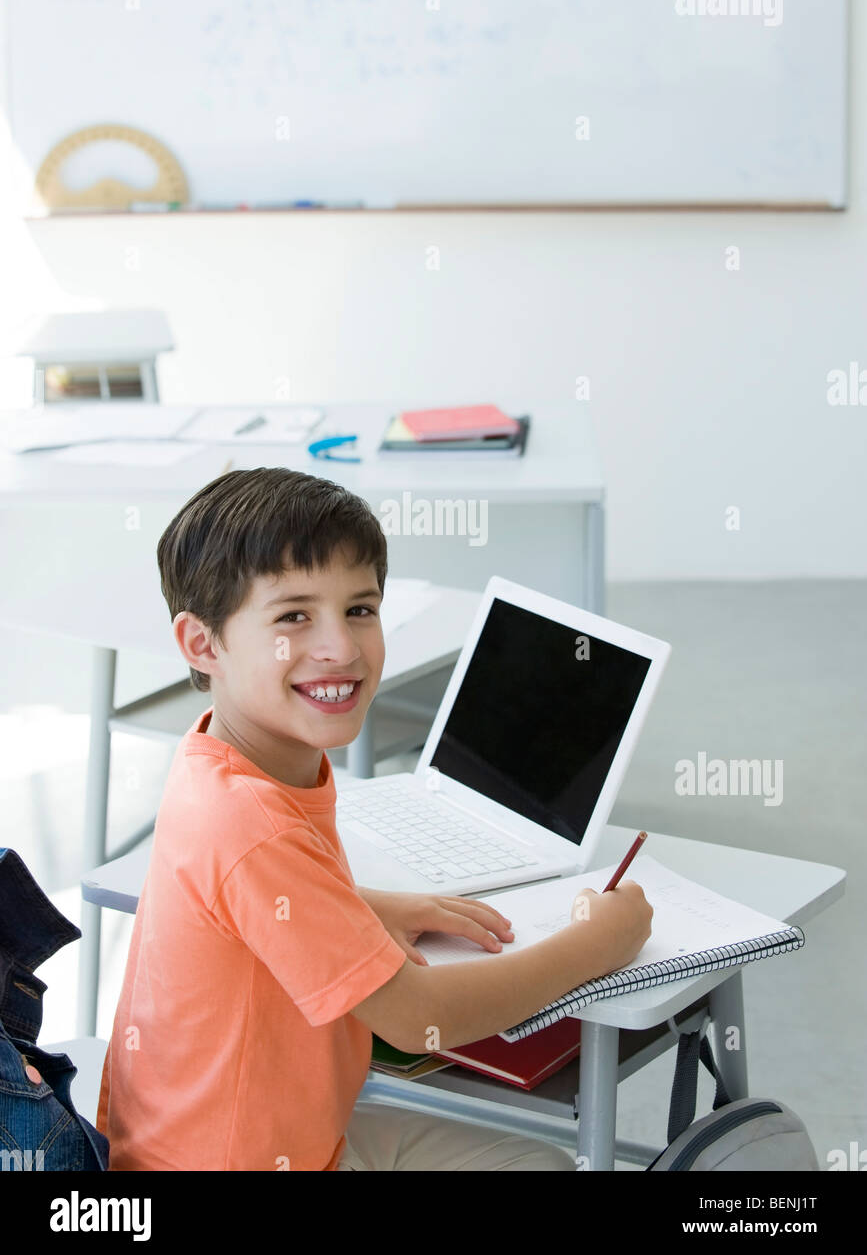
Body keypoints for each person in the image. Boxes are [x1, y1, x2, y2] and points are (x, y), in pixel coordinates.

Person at [96, 467, 652, 1170]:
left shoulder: (221, 755)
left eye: (360, 608)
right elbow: (422, 1019)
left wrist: (364, 907)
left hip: (209, 1146)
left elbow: (240, 899)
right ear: (203, 645)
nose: (341, 646)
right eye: (294, 616)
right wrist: (597, 944)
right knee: (542, 1165)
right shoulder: (252, 820)